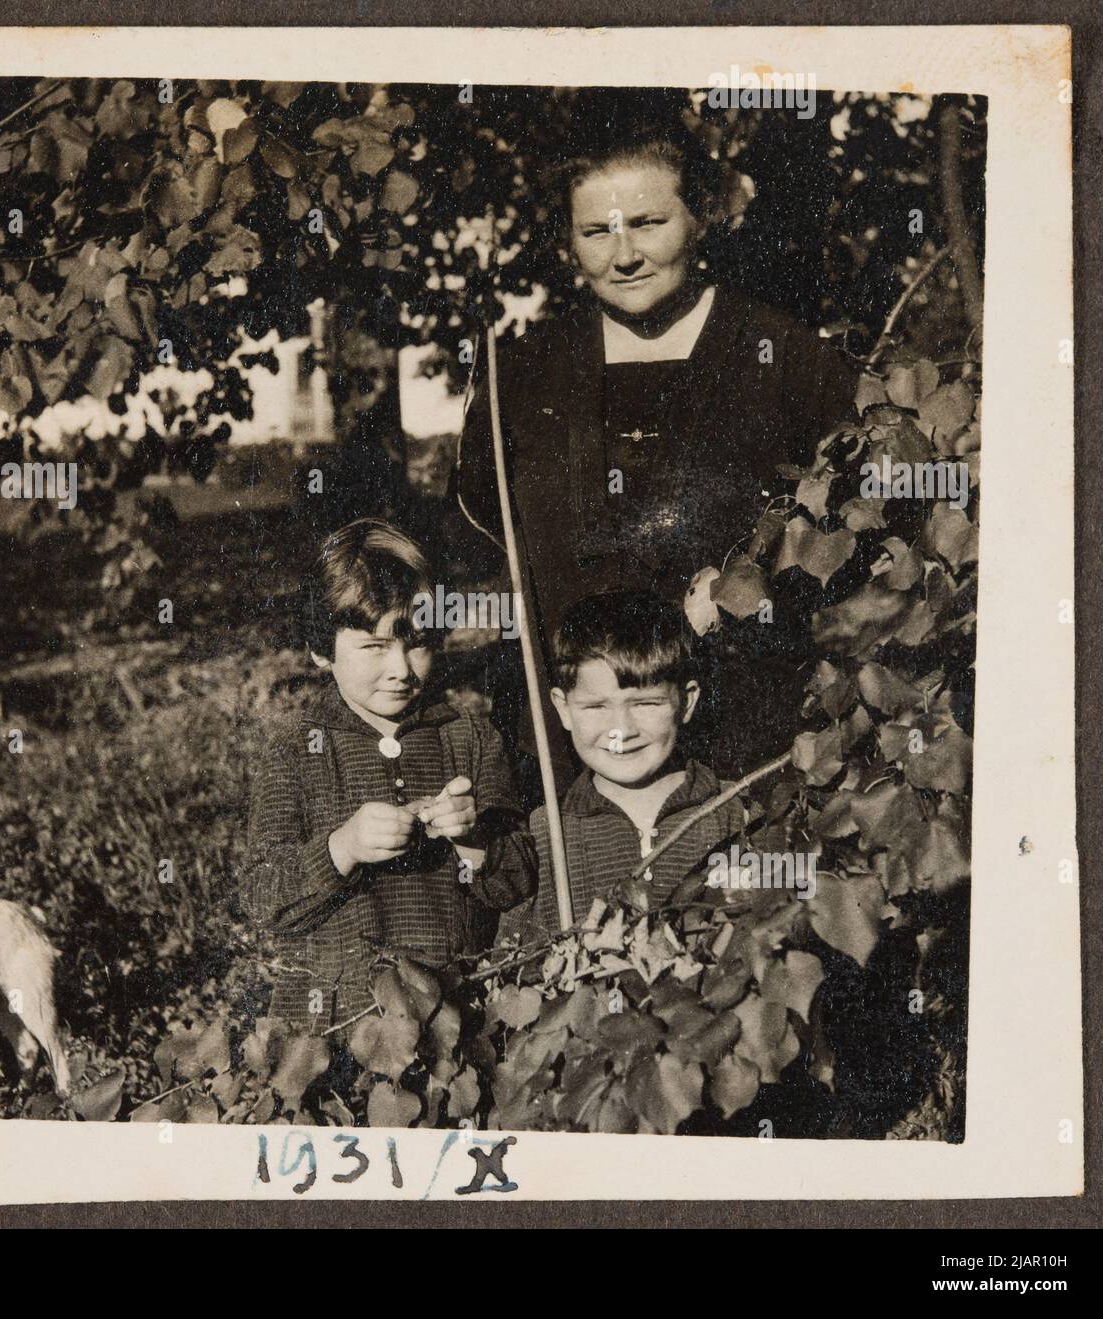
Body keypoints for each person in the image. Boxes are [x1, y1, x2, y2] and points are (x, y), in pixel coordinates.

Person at [455, 125, 858, 787]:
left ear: (698, 219)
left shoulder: (785, 359)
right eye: (596, 232)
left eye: (648, 223)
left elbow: (844, 537)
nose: (624, 255)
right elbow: (486, 528)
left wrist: (748, 596)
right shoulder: (522, 375)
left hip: (747, 738)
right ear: (568, 241)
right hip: (567, 752)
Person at [243, 518, 536, 1032]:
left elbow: (518, 881)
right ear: (320, 649)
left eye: (417, 643)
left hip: (455, 1012)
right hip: (337, 1024)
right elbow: (264, 897)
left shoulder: (470, 737)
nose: (401, 668)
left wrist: (474, 841)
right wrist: (341, 848)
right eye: (374, 647)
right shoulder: (295, 751)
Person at [501, 590, 744, 940]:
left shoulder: (733, 812)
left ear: (687, 703)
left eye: (645, 703)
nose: (621, 731)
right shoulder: (542, 836)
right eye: (596, 707)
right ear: (564, 708)